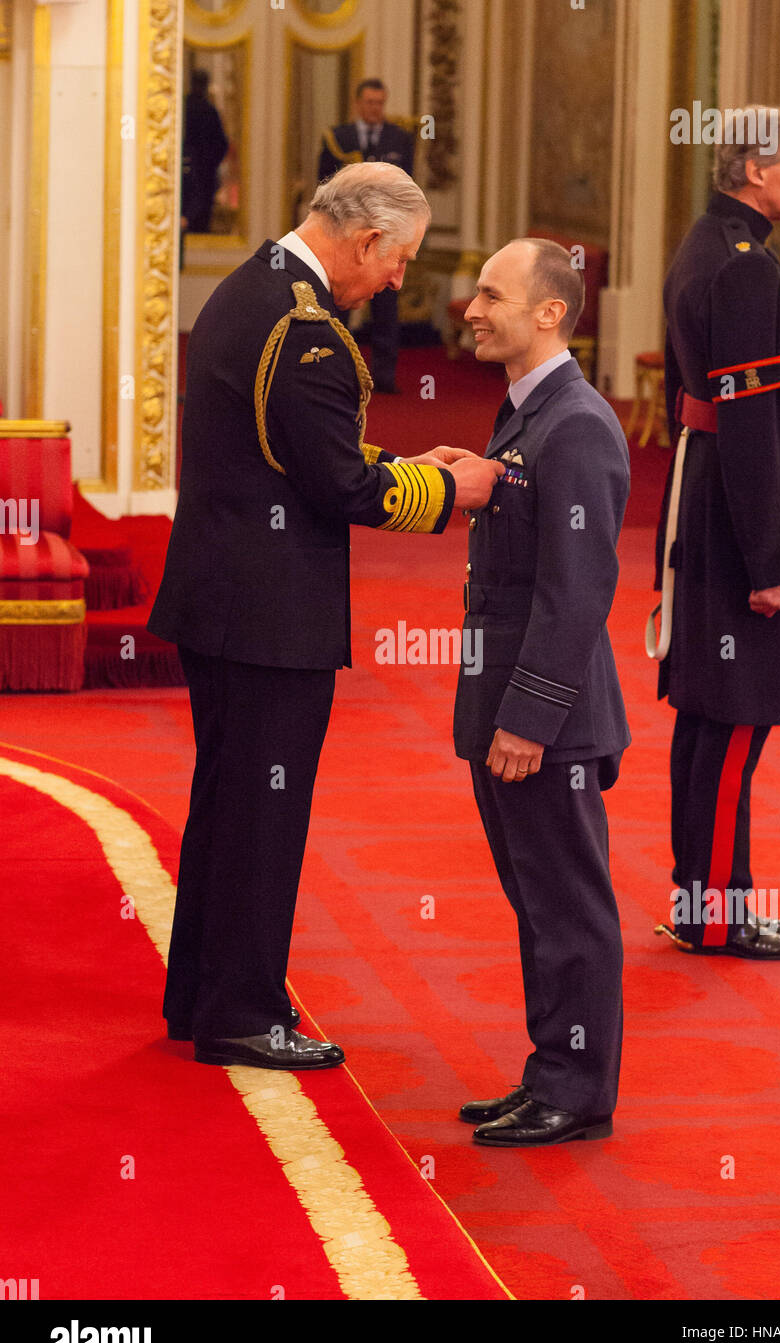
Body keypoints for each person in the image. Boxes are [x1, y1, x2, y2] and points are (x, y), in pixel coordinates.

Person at [148, 162, 503, 1072]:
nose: (396, 281)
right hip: (269, 615)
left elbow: (299, 446)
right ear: (364, 239)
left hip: (222, 596)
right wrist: (448, 489)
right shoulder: (306, 331)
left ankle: (203, 994)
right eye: (399, 262)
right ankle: (246, 1013)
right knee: (263, 814)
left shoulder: (256, 285)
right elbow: (338, 483)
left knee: (227, 802)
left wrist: (405, 457)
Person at [651, 106, 780, 960]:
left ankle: (707, 905)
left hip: (715, 505)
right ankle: (716, 917)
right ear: (752, 172)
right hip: (748, 521)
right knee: (732, 724)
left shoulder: (718, 245)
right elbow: (751, 422)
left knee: (712, 723)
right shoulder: (743, 269)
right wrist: (772, 562)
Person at [453, 239, 630, 1146]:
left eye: (492, 294)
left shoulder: (578, 424)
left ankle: (579, 1091)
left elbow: (577, 594)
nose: (472, 309)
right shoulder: (526, 412)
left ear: (549, 312)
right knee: (537, 905)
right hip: (511, 711)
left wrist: (525, 717)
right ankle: (549, 1072)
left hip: (547, 722)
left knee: (570, 911)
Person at [318, 79, 415, 392]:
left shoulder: (399, 138)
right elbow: (326, 188)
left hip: (387, 238)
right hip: (348, 236)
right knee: (342, 303)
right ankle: (337, 374)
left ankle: (384, 377)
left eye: (380, 103)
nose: (375, 109)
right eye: (370, 103)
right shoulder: (338, 138)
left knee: (386, 308)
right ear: (358, 103)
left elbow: (407, 189)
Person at [181, 69, 229, 234]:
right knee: (201, 221)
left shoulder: (182, 107)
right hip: (204, 175)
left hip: (185, 172)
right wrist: (209, 164)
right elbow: (222, 145)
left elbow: (221, 145)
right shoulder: (209, 110)